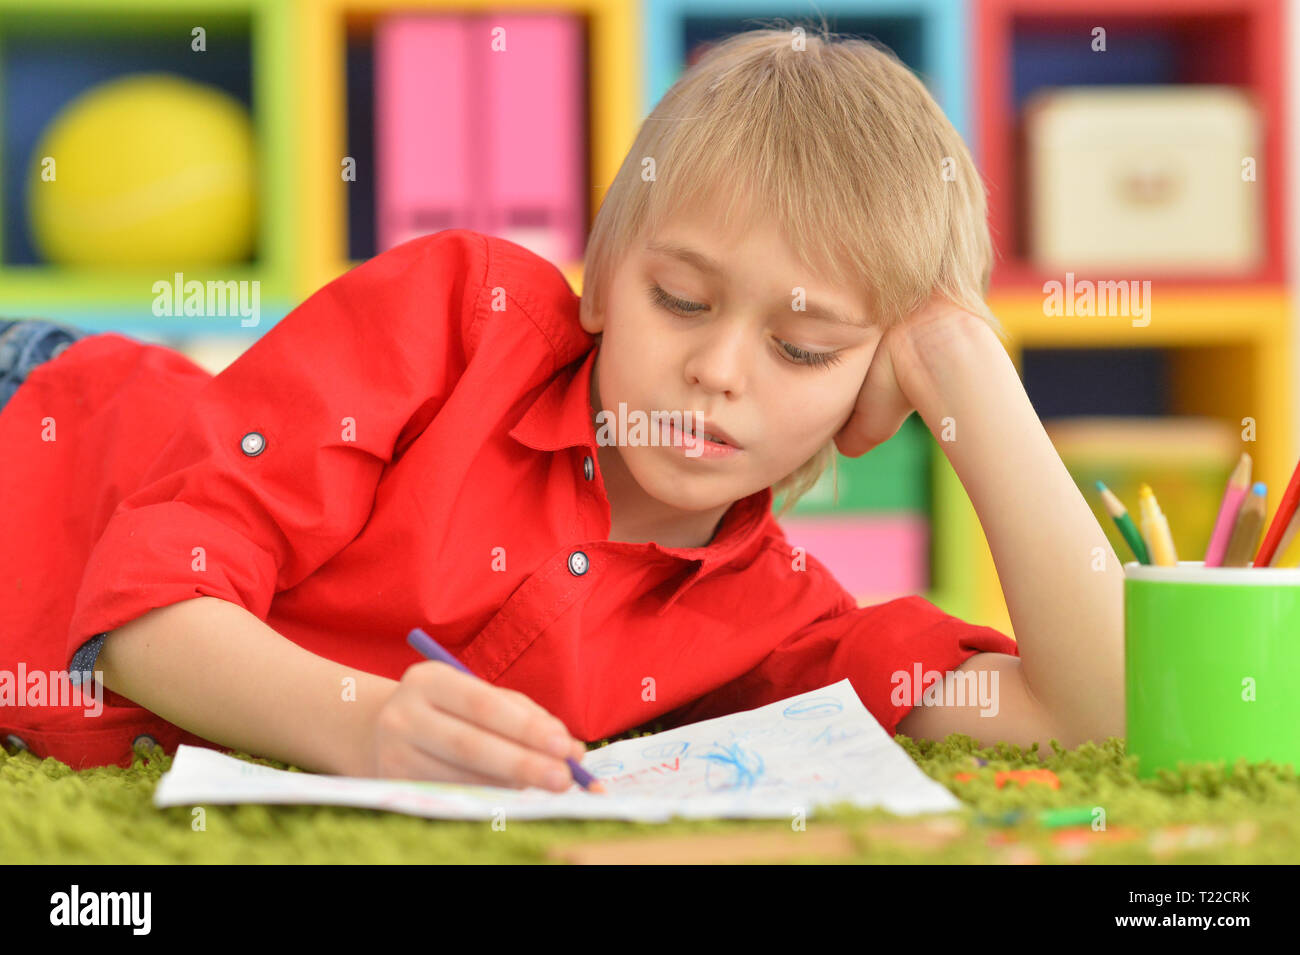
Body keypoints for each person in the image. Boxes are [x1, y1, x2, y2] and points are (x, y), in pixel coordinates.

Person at [0, 23, 1123, 782]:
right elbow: (145, 619)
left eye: (801, 344)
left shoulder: (777, 628)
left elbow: (1092, 714)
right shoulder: (459, 314)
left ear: (867, 390)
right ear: (601, 276)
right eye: (679, 300)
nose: (721, 370)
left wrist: (965, 366)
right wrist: (369, 723)